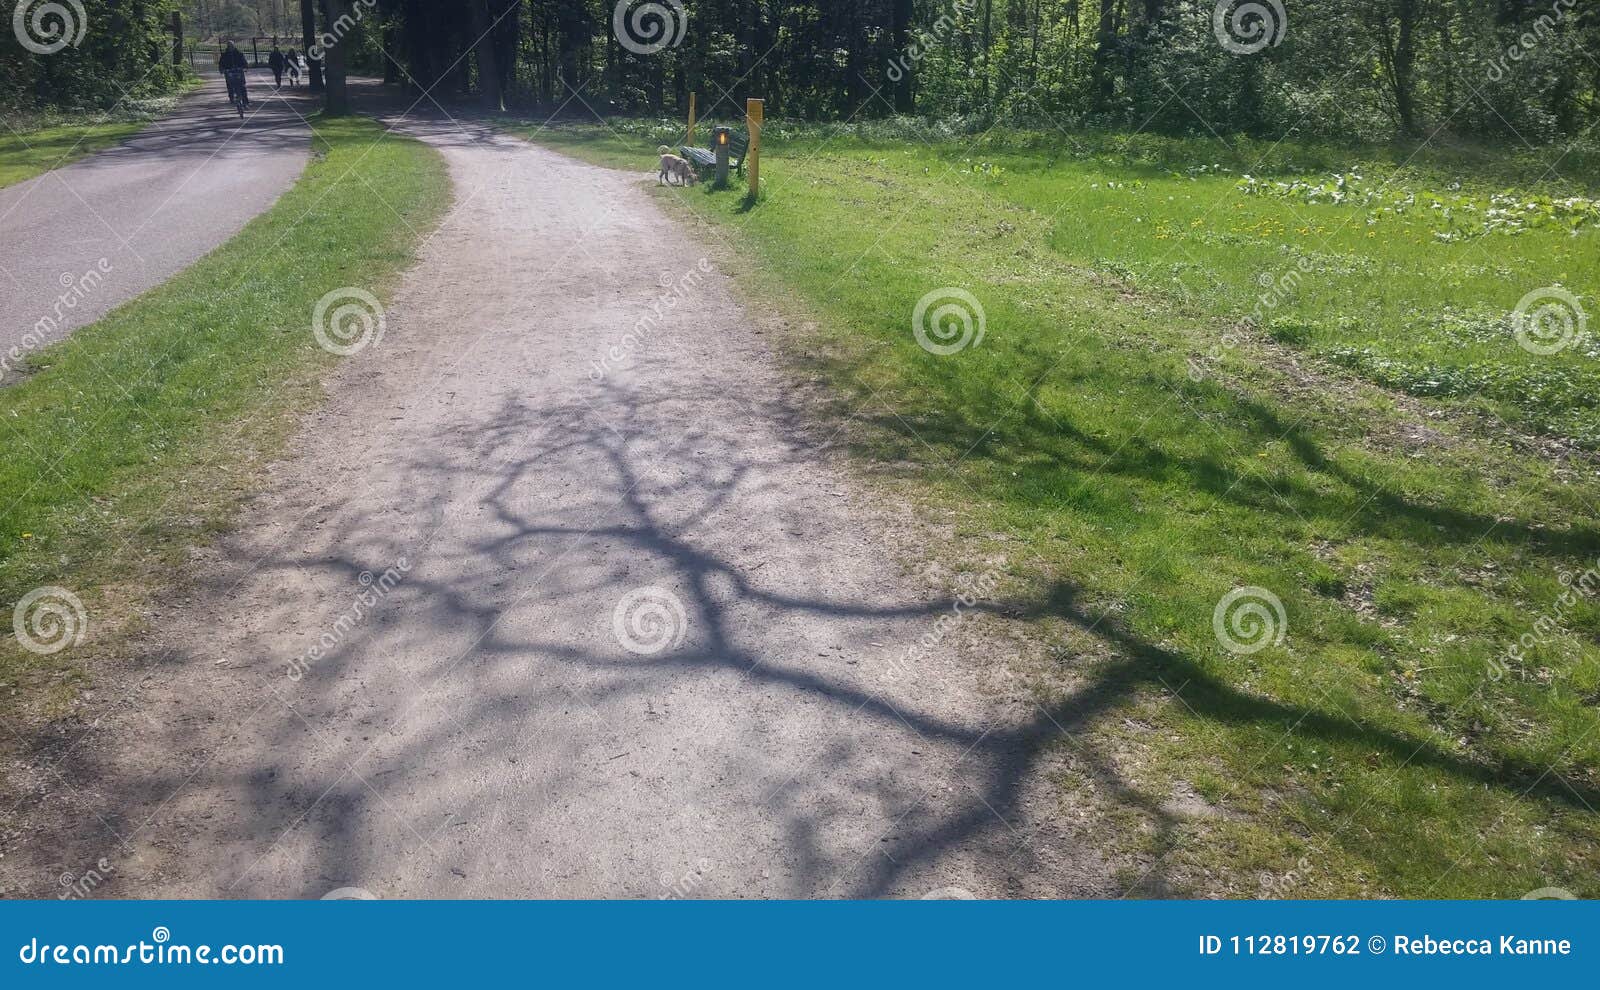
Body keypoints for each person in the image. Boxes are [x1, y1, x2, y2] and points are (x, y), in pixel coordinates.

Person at [218, 41, 249, 107]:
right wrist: (222, 70)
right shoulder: (224, 55)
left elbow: (244, 62)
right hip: (229, 73)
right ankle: (231, 98)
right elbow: (221, 64)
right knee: (230, 86)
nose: (230, 47)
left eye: (231, 46)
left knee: (243, 86)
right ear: (227, 47)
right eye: (229, 46)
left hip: (239, 72)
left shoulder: (239, 54)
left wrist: (245, 68)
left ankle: (245, 102)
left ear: (234, 46)